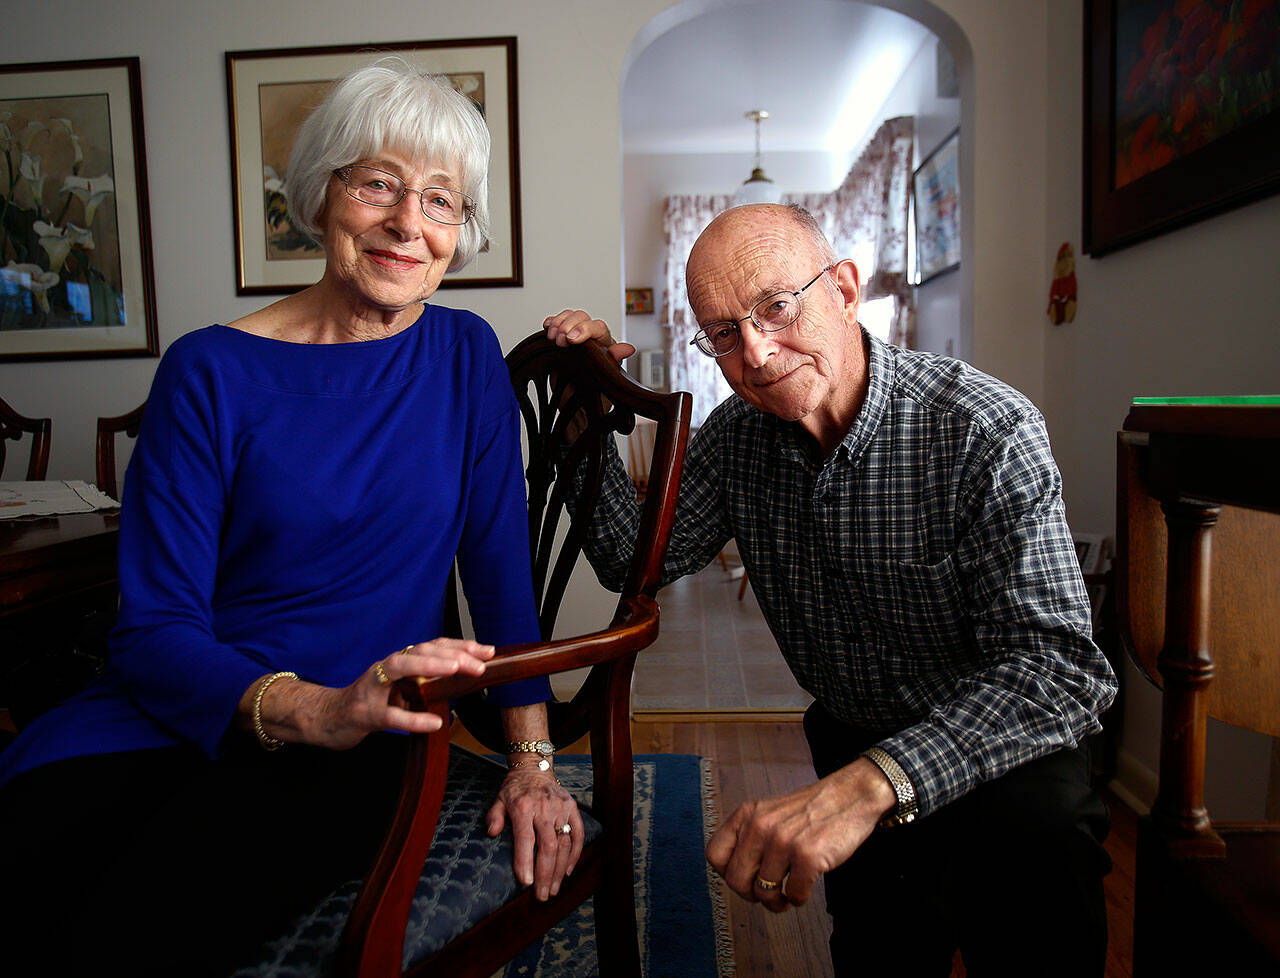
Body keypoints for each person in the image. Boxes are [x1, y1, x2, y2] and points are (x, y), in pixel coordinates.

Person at [0, 60, 582, 977]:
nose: (406, 223)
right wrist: (309, 706)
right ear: (322, 196)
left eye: (440, 200)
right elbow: (151, 632)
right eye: (379, 183)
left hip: (364, 741)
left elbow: (502, 588)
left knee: (125, 933)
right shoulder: (208, 372)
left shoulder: (466, 357)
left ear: (459, 233)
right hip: (187, 711)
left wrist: (533, 763)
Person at [544, 203, 1118, 977]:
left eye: (775, 306)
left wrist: (871, 785)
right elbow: (629, 559)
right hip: (854, 739)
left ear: (844, 289)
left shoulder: (982, 430)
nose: (754, 351)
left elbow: (1060, 673)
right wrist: (581, 412)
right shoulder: (736, 439)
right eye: (720, 332)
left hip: (1009, 768)